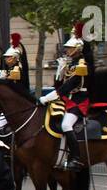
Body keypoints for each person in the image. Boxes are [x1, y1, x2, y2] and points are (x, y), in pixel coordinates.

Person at [38, 22, 93, 170]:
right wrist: (59, 72)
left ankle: (76, 158)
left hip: (79, 101)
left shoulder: (81, 64)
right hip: (68, 100)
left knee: (65, 124)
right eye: (67, 48)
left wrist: (47, 97)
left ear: (78, 49)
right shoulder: (70, 64)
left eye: (69, 48)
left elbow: (71, 85)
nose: (67, 50)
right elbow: (60, 84)